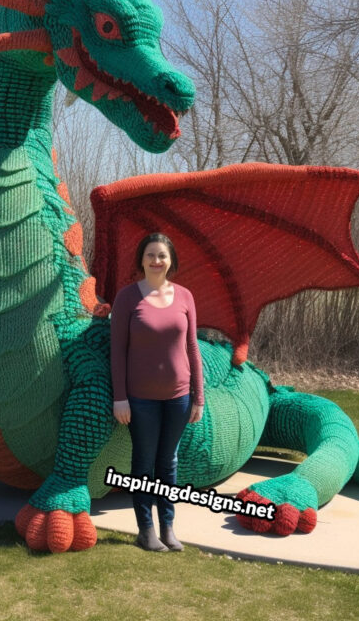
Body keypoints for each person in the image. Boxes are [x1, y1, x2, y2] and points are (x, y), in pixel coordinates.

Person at [110, 232, 205, 552]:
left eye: (162, 255)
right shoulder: (127, 298)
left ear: (170, 261)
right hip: (140, 399)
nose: (156, 261)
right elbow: (118, 351)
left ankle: (167, 527)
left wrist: (198, 397)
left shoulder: (186, 296)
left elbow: (193, 347)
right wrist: (119, 397)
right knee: (143, 462)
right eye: (150, 255)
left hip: (178, 397)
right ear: (141, 260)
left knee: (169, 462)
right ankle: (145, 530)